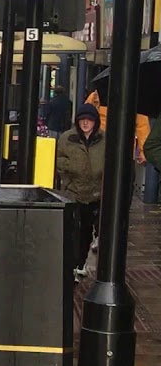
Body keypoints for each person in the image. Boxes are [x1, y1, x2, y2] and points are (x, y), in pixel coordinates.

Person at [56, 104, 106, 279]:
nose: (85, 123)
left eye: (90, 119)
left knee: (87, 231)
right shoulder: (67, 138)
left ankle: (80, 263)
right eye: (82, 119)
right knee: (74, 232)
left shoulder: (103, 139)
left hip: (95, 194)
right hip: (74, 193)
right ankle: (73, 265)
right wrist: (71, 169)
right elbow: (59, 161)